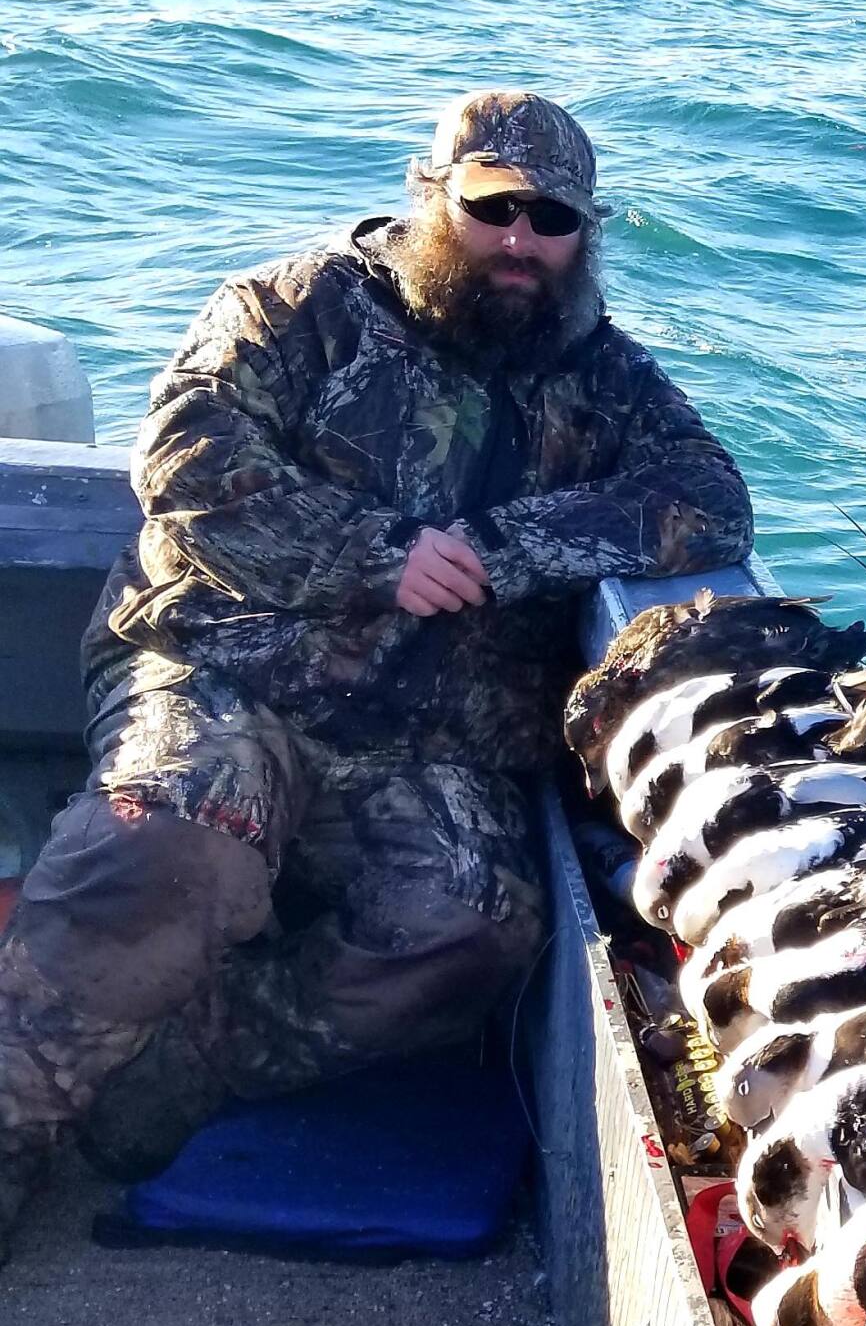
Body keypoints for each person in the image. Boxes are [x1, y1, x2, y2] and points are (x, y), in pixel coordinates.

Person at [0, 89, 753, 1246]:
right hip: (226, 673)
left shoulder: (603, 374)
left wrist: (509, 548)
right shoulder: (291, 310)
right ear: (434, 195)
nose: (520, 240)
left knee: (476, 929)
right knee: (159, 842)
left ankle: (162, 1084)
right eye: (495, 205)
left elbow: (709, 501)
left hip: (427, 739)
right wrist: (376, 555)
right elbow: (186, 474)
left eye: (552, 219)